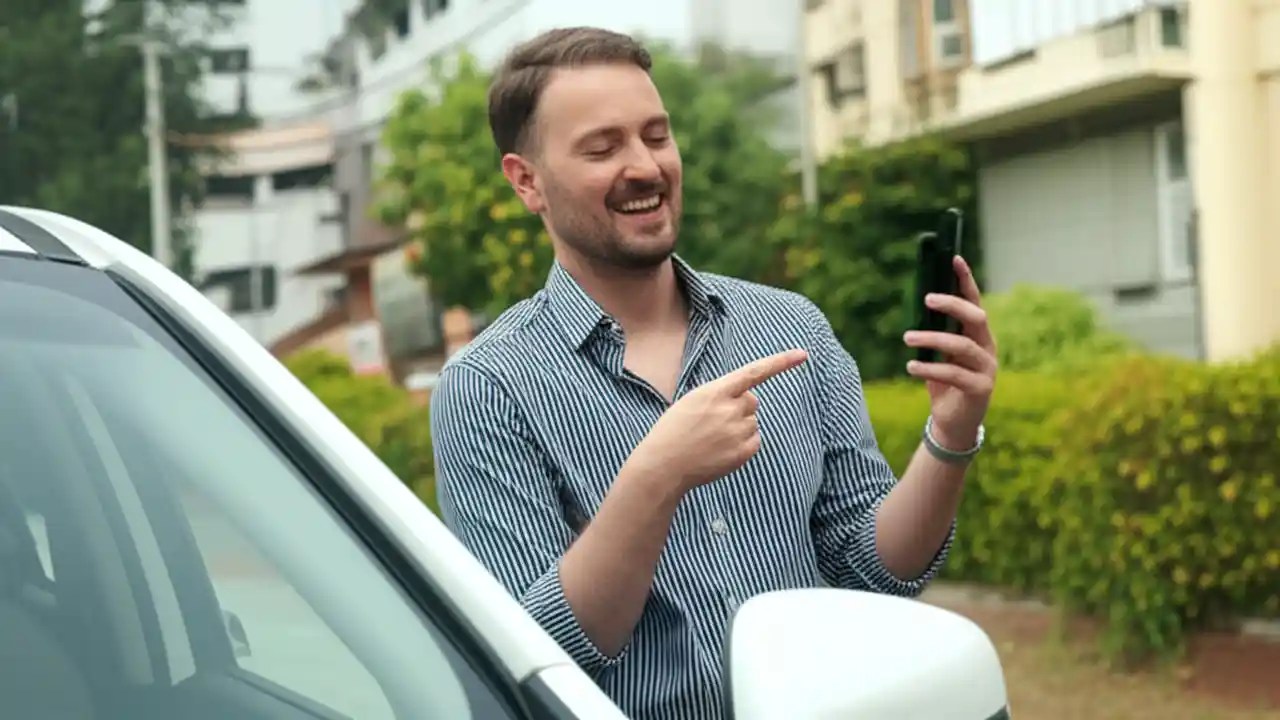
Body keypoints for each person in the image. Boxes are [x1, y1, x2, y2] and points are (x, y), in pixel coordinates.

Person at [430, 26, 999, 720]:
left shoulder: (792, 328)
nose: (644, 166)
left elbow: (873, 570)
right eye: (602, 148)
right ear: (527, 181)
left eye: (656, 135)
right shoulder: (488, 389)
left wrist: (950, 433)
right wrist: (656, 476)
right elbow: (536, 656)